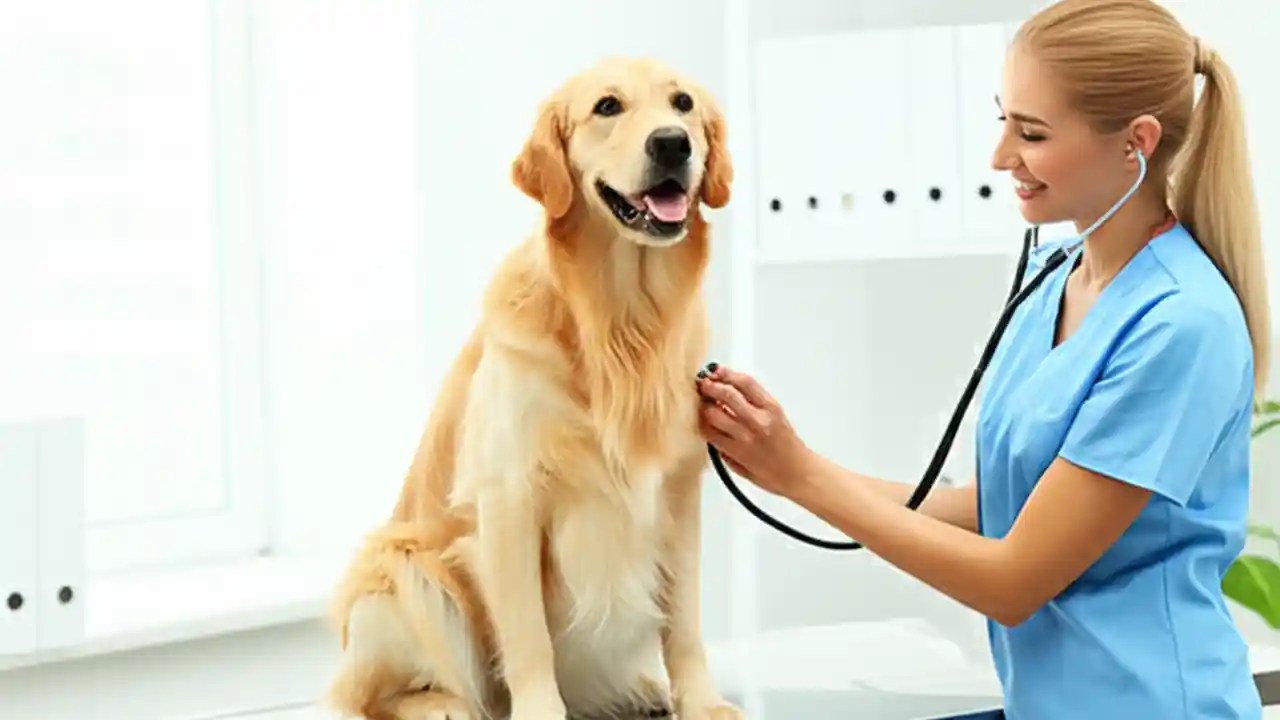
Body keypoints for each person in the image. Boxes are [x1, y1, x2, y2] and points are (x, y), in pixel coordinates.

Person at [695, 0, 1271, 718]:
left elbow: (1013, 580)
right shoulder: (1055, 278)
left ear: (1137, 142)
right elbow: (994, 509)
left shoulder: (1181, 324)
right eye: (1004, 120)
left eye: (1031, 133)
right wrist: (782, 460)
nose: (1000, 157)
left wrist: (807, 480)